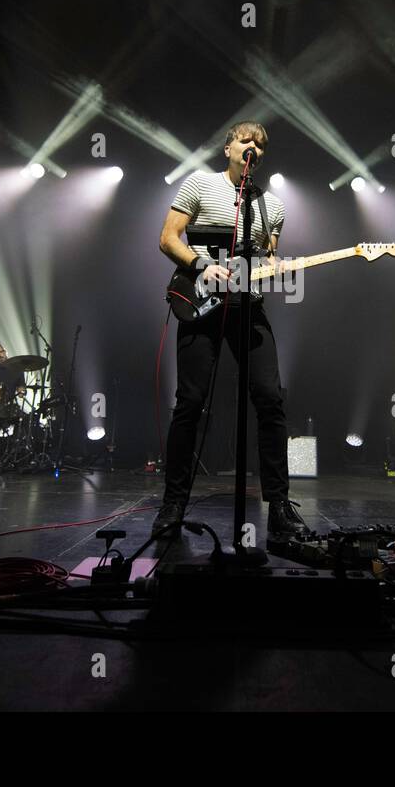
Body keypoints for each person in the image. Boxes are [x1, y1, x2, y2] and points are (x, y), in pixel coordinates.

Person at [155, 120, 307, 540]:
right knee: (190, 402)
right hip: (201, 304)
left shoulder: (271, 206)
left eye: (259, 143)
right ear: (228, 148)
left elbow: (268, 261)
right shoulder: (200, 184)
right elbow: (168, 239)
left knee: (271, 401)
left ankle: (279, 505)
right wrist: (204, 266)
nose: (252, 147)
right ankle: (173, 504)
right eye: (245, 140)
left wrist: (278, 270)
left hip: (248, 308)